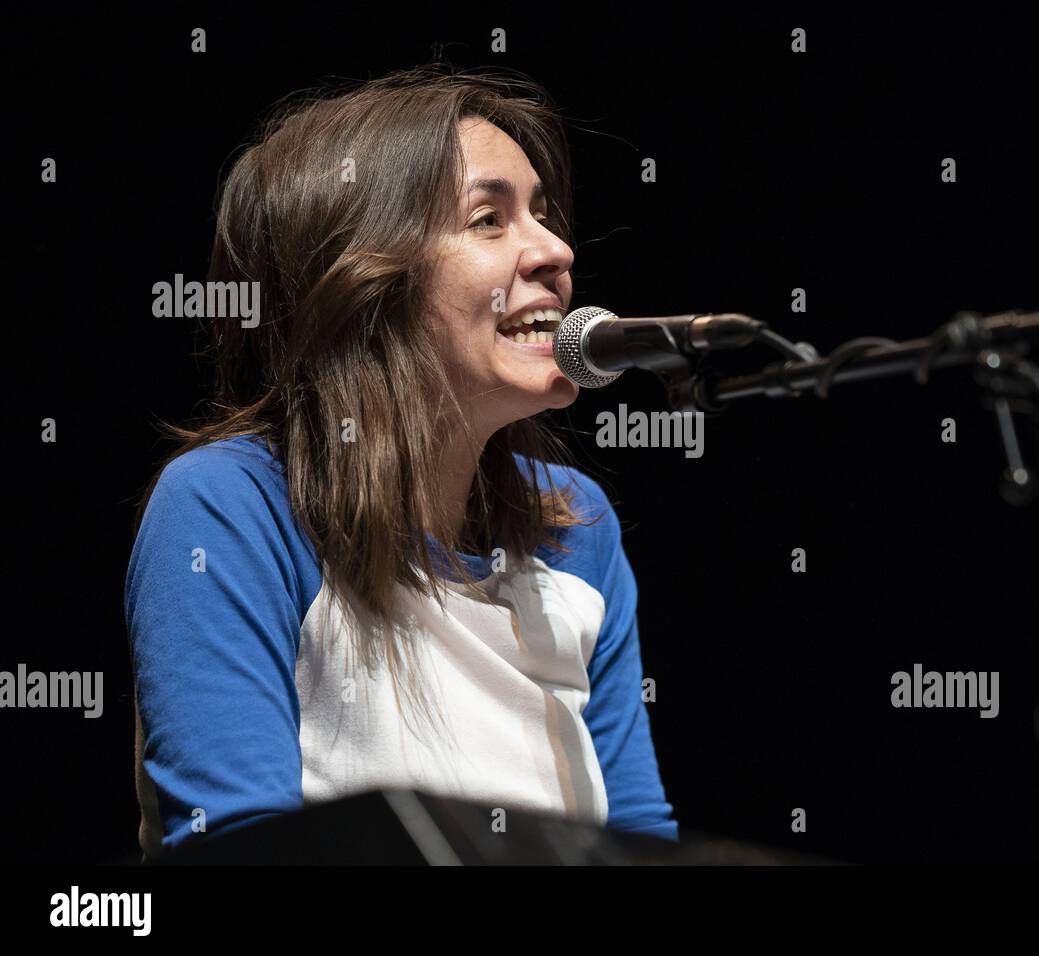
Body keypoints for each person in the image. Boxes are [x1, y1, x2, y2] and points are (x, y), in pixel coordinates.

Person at [125, 63, 677, 861]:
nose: (555, 250)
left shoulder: (576, 524)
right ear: (363, 281)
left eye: (545, 216)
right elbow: (239, 850)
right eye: (490, 219)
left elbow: (639, 848)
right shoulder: (231, 507)